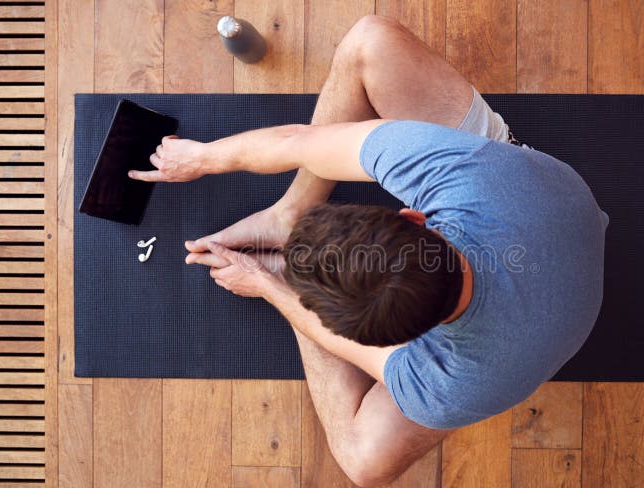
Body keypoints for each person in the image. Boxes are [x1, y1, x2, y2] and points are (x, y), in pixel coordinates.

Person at [129, 15, 608, 487]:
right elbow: (301, 142)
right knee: (369, 42)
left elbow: (305, 143)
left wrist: (271, 286)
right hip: (544, 200)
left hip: (551, 266)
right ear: (412, 216)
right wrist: (204, 157)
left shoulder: (442, 383)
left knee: (363, 464)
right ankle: (288, 215)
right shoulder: (451, 168)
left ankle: (293, 256)